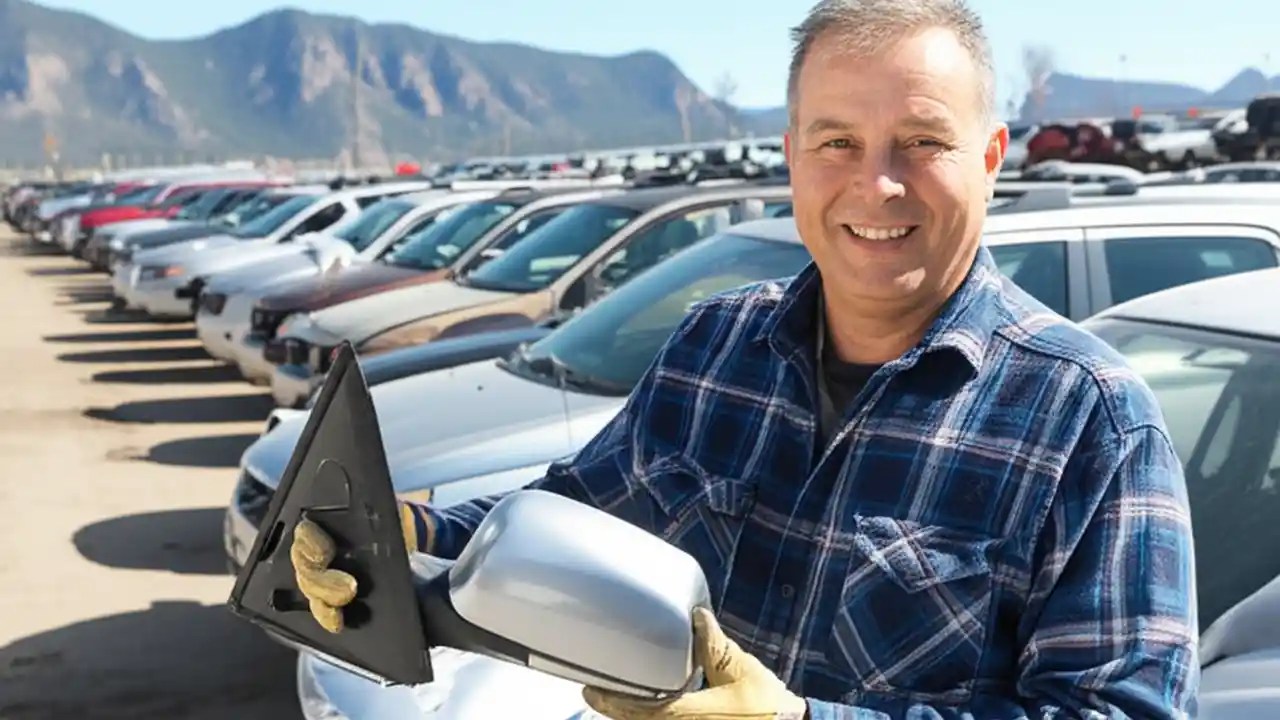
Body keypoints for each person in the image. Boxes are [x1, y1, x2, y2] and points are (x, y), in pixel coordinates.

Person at [291, 0, 1200, 717]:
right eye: (836, 141)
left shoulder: (1090, 421)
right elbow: (575, 512)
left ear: (993, 158)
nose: (875, 183)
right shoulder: (716, 348)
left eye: (922, 143)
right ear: (792, 158)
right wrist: (407, 536)